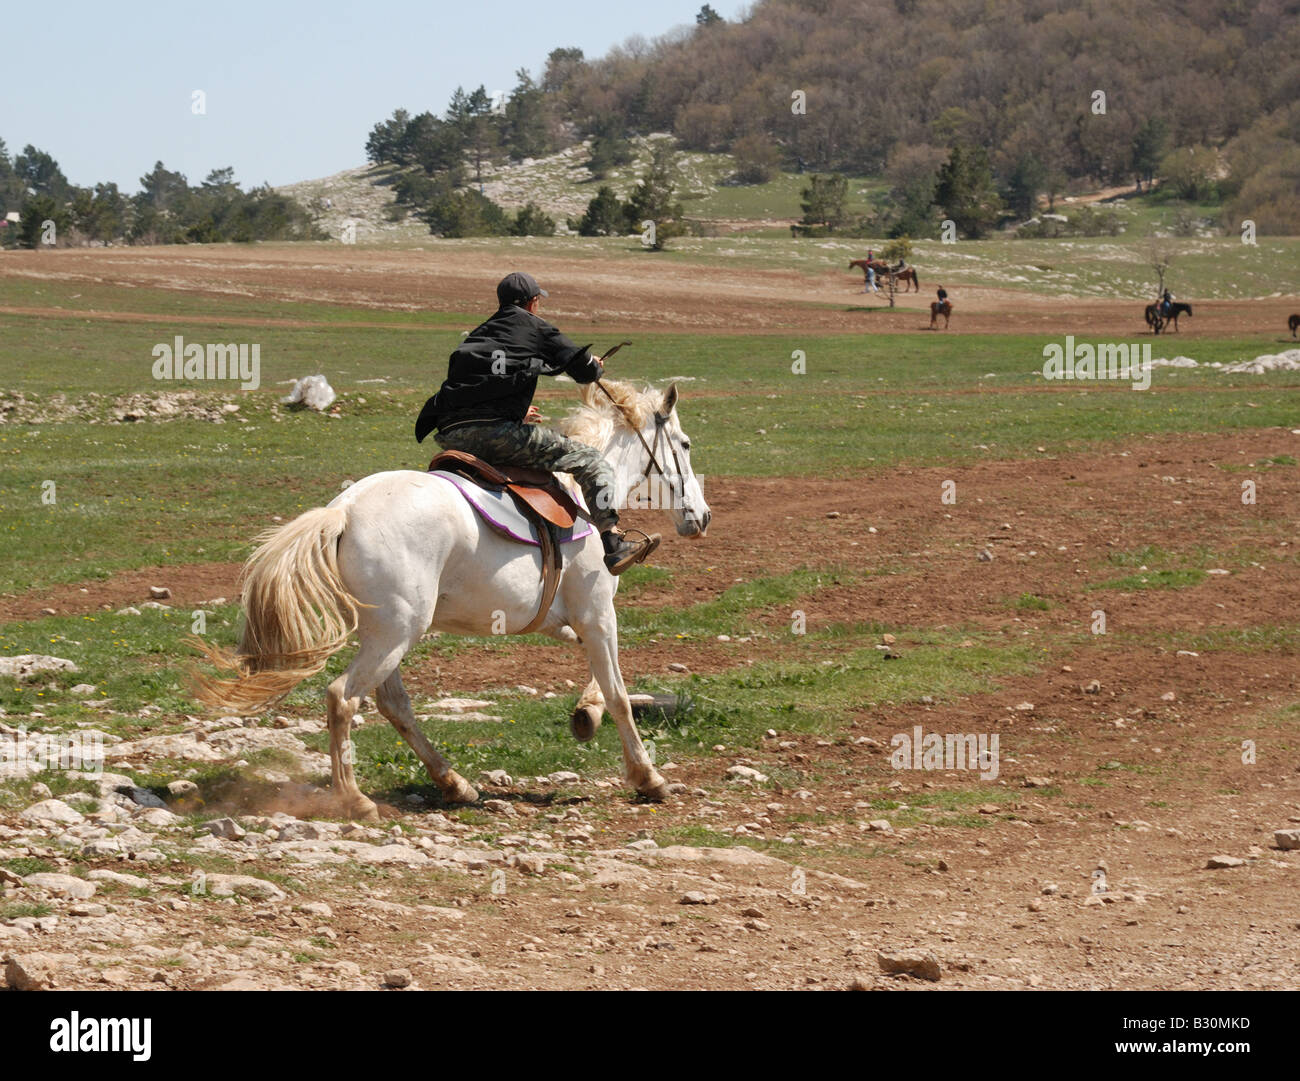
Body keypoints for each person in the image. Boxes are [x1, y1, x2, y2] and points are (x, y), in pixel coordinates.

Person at [415, 272, 660, 576]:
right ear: (533, 303)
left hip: (452, 435)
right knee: (591, 461)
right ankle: (613, 541)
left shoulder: (479, 334)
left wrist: (514, 412)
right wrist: (594, 365)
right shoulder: (534, 327)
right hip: (493, 434)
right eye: (537, 302)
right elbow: (583, 370)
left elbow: (479, 387)